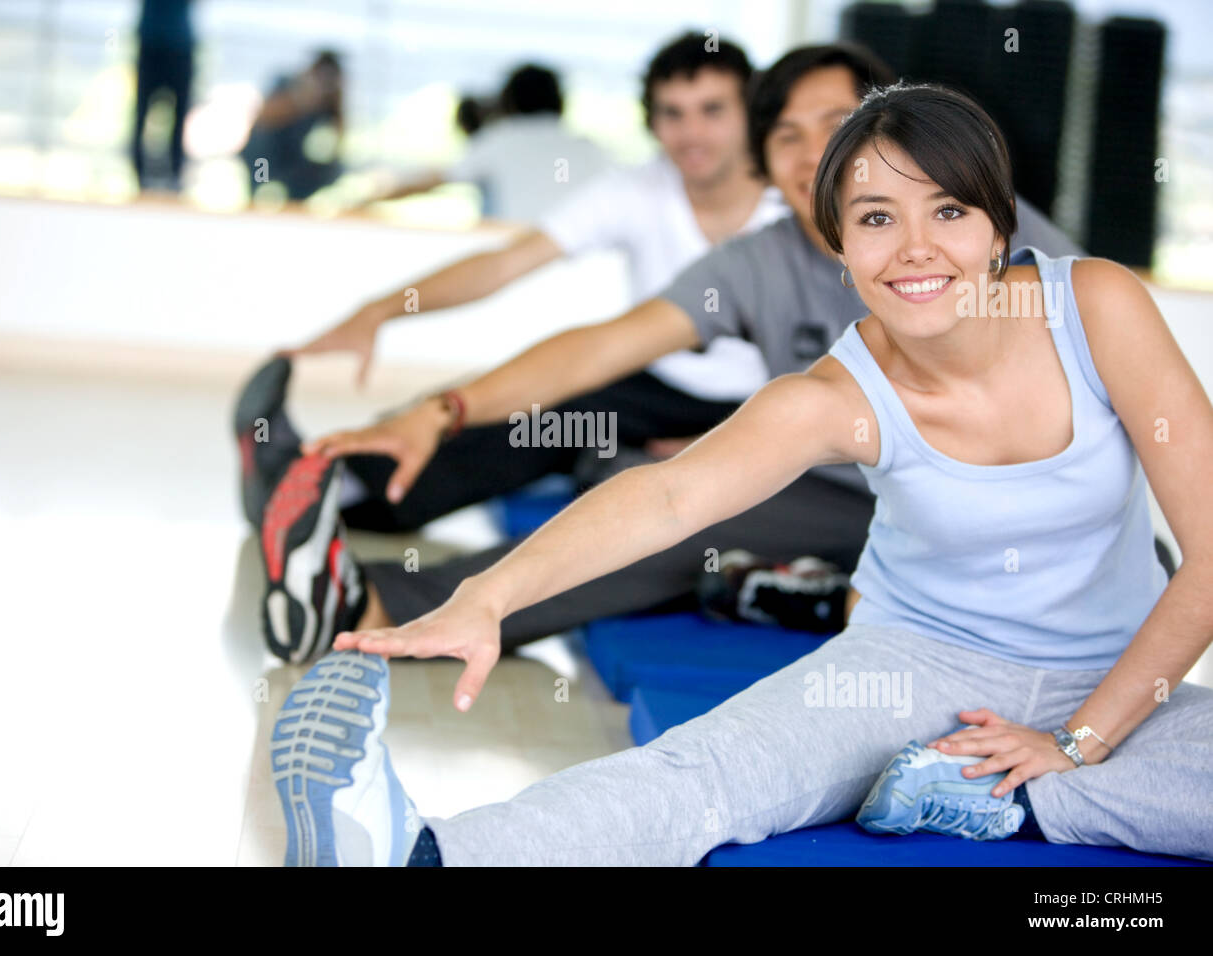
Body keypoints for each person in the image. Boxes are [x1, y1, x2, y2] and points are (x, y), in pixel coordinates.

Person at [269, 81, 1213, 867]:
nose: (917, 247)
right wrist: (488, 594)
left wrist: (1073, 744)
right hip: (914, 665)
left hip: (1126, 670)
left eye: (950, 210)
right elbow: (666, 496)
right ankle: (419, 852)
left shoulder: (1095, 307)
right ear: (840, 246)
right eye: (877, 218)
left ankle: (998, 796)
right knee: (711, 774)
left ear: (1000, 227)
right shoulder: (835, 395)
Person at [243, 44, 1081, 666]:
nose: (807, 153)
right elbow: (602, 346)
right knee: (659, 501)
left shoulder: (980, 218)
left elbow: (1096, 358)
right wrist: (441, 408)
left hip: (996, 501)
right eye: (783, 135)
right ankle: (370, 597)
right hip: (837, 487)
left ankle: (812, 589)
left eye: (836, 125)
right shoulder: (757, 258)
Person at [366, 64, 611, 223]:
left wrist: (363, 201)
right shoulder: (591, 148)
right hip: (584, 265)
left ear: (509, 102)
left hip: (513, 256)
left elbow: (428, 181)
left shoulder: (500, 139)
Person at [240, 51, 345, 202]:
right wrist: (302, 98)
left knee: (333, 168)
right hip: (265, 157)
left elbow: (338, 141)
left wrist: (337, 105)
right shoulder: (287, 82)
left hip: (292, 161)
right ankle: (259, 198)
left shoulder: (327, 101)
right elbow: (264, 118)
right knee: (260, 158)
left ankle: (294, 202)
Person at [131, 0, 195, 191]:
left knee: (178, 117)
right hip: (154, 42)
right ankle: (140, 176)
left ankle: (174, 175)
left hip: (177, 44)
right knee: (142, 114)